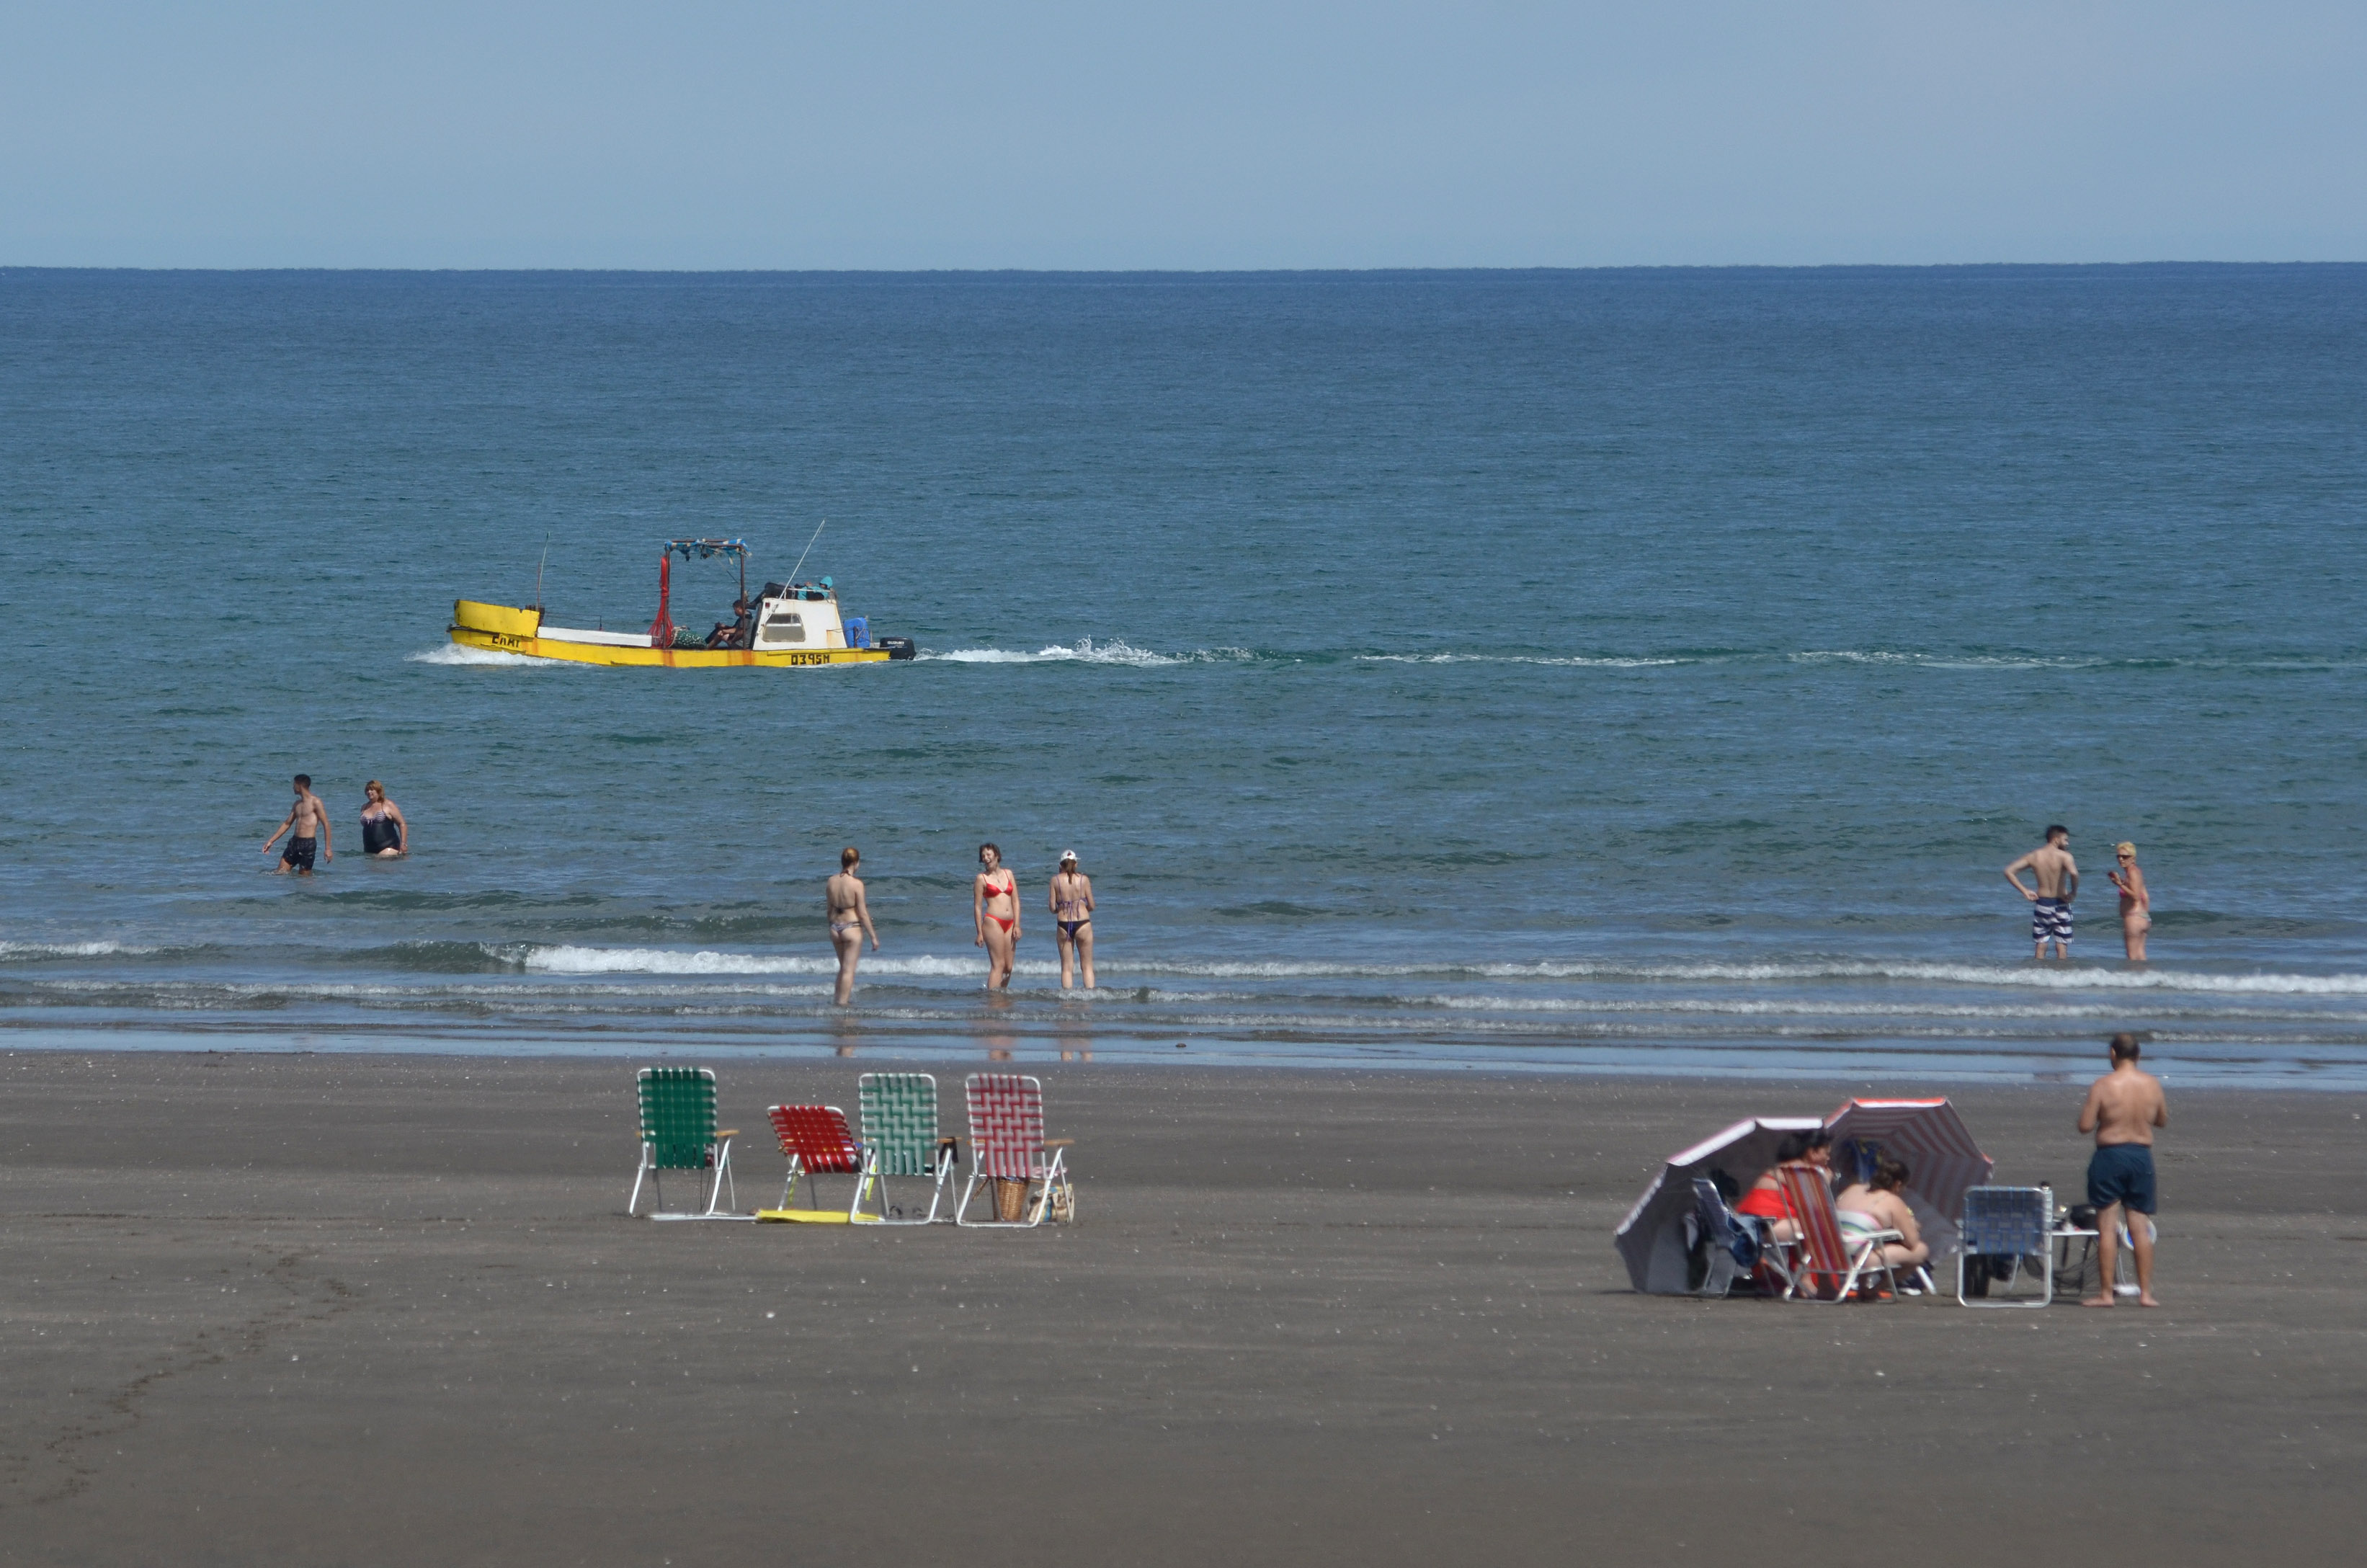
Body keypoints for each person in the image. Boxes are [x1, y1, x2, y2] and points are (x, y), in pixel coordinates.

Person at [2077, 1033, 2167, 1307]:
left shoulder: (2103, 1085)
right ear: (2138, 1056)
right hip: (2140, 1156)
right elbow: (2161, 1120)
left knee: (2107, 1226)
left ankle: (2106, 1294)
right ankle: (2146, 1294)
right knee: (2139, 1227)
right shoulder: (2152, 1085)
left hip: (2110, 1155)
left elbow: (2084, 1125)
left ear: (2113, 1055)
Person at [1832, 1152, 1931, 1274]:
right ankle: (1873, 1289)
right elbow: (1911, 1242)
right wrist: (1912, 1224)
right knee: (1921, 1250)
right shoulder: (1891, 1200)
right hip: (1858, 1257)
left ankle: (1864, 1286)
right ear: (1898, 1184)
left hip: (1831, 1251)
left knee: (1872, 1238)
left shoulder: (1853, 1189)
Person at [1734, 1129, 1833, 1243]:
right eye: (1827, 1153)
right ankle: (1810, 1261)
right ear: (1813, 1153)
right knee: (1824, 1226)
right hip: (1768, 1227)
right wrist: (1824, 1183)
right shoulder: (1802, 1172)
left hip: (1746, 1222)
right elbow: (1816, 1209)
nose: (1828, 1159)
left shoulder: (1779, 1169)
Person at [2005, 824, 2080, 960]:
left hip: (2042, 903)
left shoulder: (2034, 856)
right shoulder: (2065, 856)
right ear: (2056, 839)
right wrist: (2074, 892)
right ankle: (2061, 975)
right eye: (2066, 840)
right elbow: (2074, 874)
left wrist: (2025, 891)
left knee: (2041, 943)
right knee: (2061, 944)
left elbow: (2009, 871)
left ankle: (2038, 974)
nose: (2068, 843)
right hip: (2061, 903)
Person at [826, 847, 879, 1005]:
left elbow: (829, 909)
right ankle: (843, 1004)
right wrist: (873, 937)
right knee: (849, 970)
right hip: (852, 928)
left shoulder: (831, 881)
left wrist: (832, 924)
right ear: (856, 863)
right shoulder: (857, 884)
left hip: (835, 928)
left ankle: (837, 1000)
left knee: (843, 968)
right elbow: (862, 913)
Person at [262, 774, 332, 875]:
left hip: (308, 844)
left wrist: (328, 849)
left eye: (294, 784)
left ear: (300, 785)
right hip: (294, 842)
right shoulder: (297, 804)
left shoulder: (315, 802)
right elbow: (287, 824)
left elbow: (326, 824)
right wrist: (271, 841)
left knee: (304, 881)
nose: (293, 787)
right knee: (280, 873)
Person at [973, 842, 1020, 989]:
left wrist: (1017, 924)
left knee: (1009, 967)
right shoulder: (981, 879)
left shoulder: (1009, 874)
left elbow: (1016, 901)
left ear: (997, 855)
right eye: (983, 856)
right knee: (998, 965)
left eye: (988, 854)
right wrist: (979, 932)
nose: (986, 858)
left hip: (1010, 922)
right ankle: (993, 999)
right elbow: (977, 907)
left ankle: (1002, 995)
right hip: (993, 922)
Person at [1048, 850, 1095, 990]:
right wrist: (1083, 907)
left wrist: (1060, 909)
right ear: (1075, 864)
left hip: (1064, 924)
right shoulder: (1084, 879)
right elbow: (1092, 905)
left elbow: (1052, 907)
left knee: (1067, 968)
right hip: (1083, 923)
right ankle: (1090, 998)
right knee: (1087, 966)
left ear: (1060, 865)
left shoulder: (1055, 880)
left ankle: (1067, 1002)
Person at [2108, 841, 2151, 961]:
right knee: (2141, 955)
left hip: (2134, 918)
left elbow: (2136, 896)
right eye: (2119, 856)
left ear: (2133, 858)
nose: (2121, 859)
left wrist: (2119, 884)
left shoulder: (2132, 873)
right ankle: (2147, 978)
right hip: (2142, 917)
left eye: (2125, 857)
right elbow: (2145, 896)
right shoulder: (2135, 872)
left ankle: (2134, 979)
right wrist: (2145, 916)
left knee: (2132, 957)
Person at [360, 780, 409, 858]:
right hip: (369, 849)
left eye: (372, 790)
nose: (369, 792)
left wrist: (404, 844)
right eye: (367, 790)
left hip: (389, 846)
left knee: (380, 862)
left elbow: (402, 824)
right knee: (370, 869)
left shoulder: (387, 805)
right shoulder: (364, 807)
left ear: (379, 791)